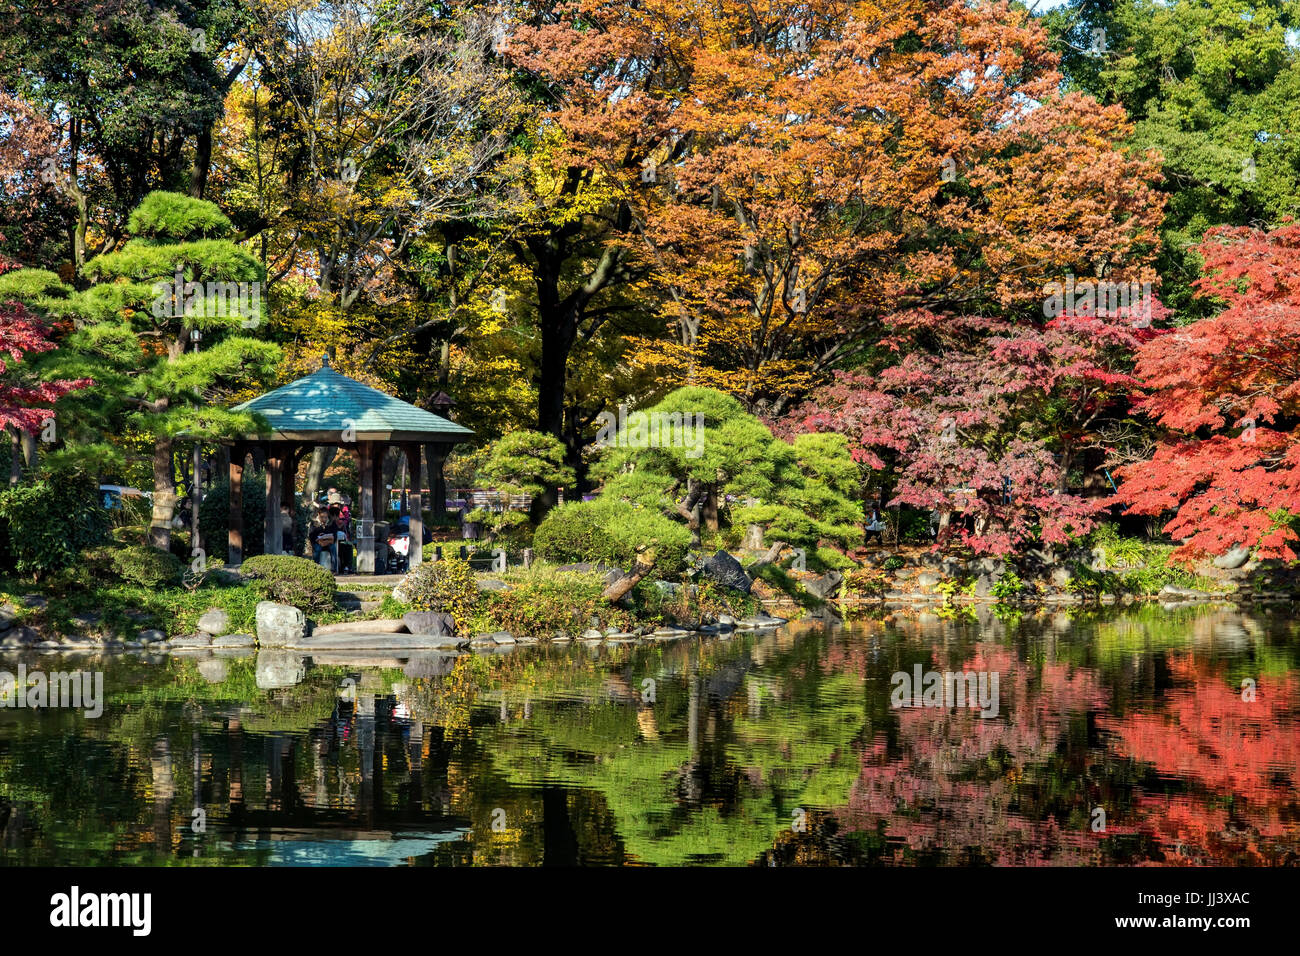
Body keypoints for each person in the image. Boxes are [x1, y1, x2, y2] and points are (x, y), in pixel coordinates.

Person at [310, 505, 338, 570]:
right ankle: (316, 567)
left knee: (333, 548)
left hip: (329, 542)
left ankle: (334, 568)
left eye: (326, 517)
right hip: (318, 542)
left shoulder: (331, 523)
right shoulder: (314, 523)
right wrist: (318, 538)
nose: (324, 519)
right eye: (322, 517)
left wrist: (327, 536)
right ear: (319, 515)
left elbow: (334, 534)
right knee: (317, 549)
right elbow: (311, 535)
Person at [332, 505, 355, 574]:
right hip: (330, 540)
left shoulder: (343, 512)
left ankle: (347, 566)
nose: (337, 505)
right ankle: (338, 568)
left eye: (338, 504)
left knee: (347, 546)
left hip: (340, 539)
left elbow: (343, 525)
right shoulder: (328, 512)